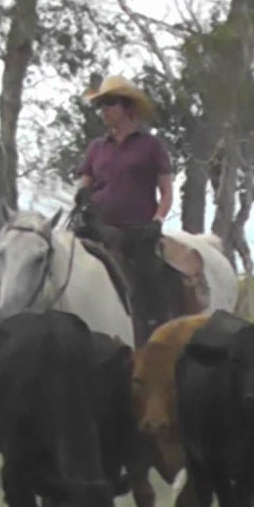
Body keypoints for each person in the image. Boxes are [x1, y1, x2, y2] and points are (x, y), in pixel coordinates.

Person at [75, 75, 175, 342]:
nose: (103, 110)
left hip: (138, 230)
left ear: (128, 107)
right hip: (98, 228)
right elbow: (84, 186)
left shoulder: (151, 146)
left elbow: (166, 193)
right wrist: (82, 198)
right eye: (101, 104)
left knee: (150, 279)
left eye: (109, 103)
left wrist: (157, 221)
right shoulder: (96, 148)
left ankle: (156, 333)